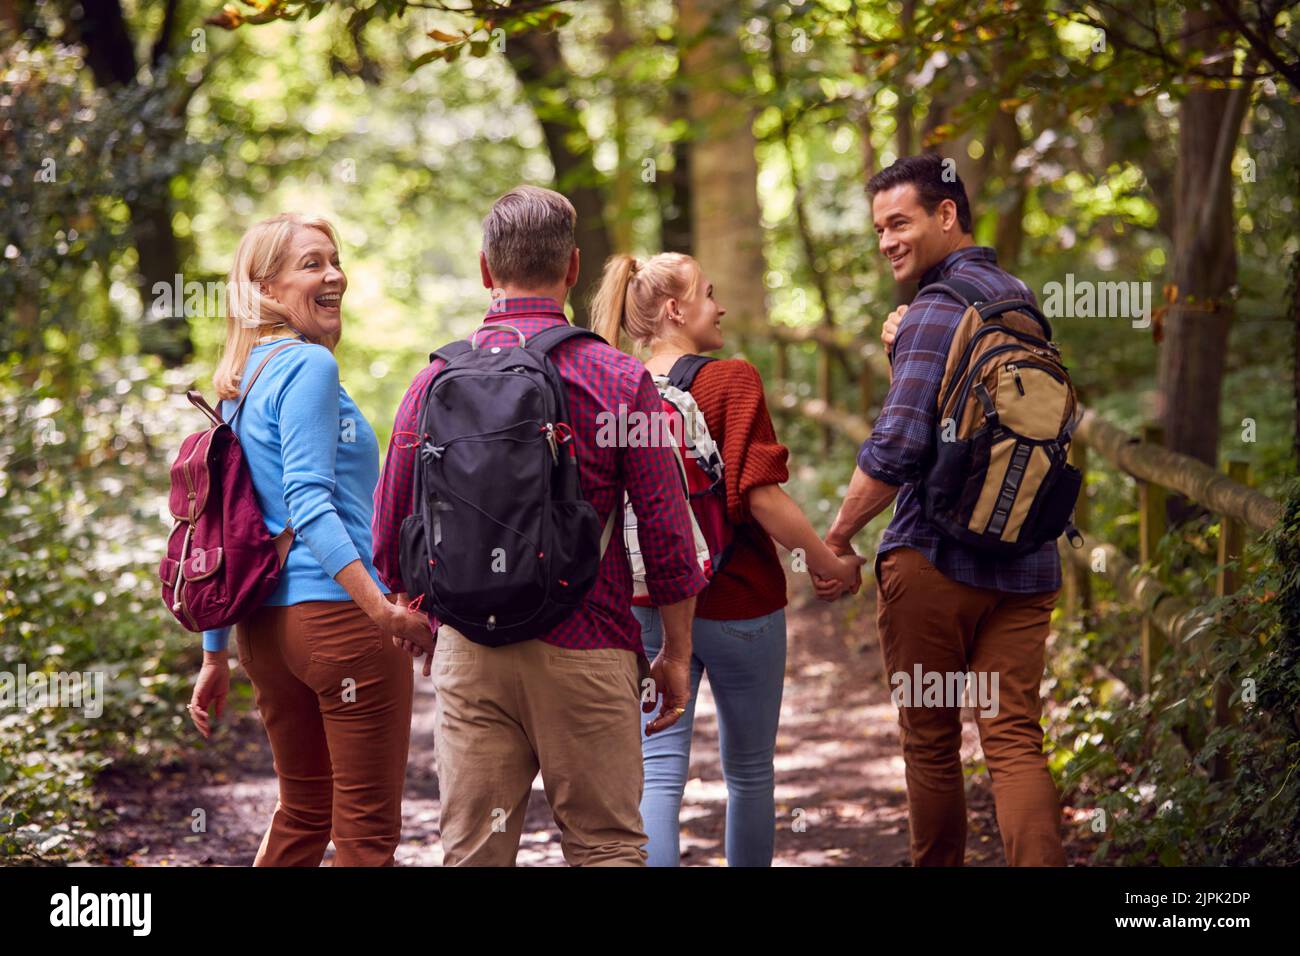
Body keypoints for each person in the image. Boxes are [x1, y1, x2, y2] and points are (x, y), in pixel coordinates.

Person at [372, 185, 709, 866]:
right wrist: (674, 653)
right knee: (606, 847)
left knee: (474, 854)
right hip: (588, 646)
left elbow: (388, 533)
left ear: (484, 270)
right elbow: (670, 535)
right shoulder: (618, 379)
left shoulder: (433, 381)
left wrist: (422, 611)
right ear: (574, 268)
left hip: (471, 654)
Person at [822, 154, 1067, 867]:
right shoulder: (1016, 297)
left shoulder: (933, 310)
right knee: (1015, 739)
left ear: (946, 214)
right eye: (878, 230)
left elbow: (896, 447)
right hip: (1026, 558)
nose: (887, 241)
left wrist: (837, 535)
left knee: (931, 743)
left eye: (900, 222)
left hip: (935, 560)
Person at [590, 251, 864, 867]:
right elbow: (760, 497)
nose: (721, 306)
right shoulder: (730, 379)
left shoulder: (612, 384)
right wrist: (830, 562)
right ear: (675, 309)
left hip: (647, 603)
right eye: (709, 294)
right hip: (739, 599)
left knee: (658, 775)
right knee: (748, 773)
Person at [188, 213, 429, 866]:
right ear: (266, 290)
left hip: (265, 633)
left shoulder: (242, 381)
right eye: (313, 264)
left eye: (336, 260)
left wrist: (215, 654)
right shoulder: (307, 368)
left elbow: (217, 519)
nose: (335, 276)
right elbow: (309, 504)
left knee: (302, 814)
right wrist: (381, 610)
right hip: (340, 623)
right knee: (365, 834)